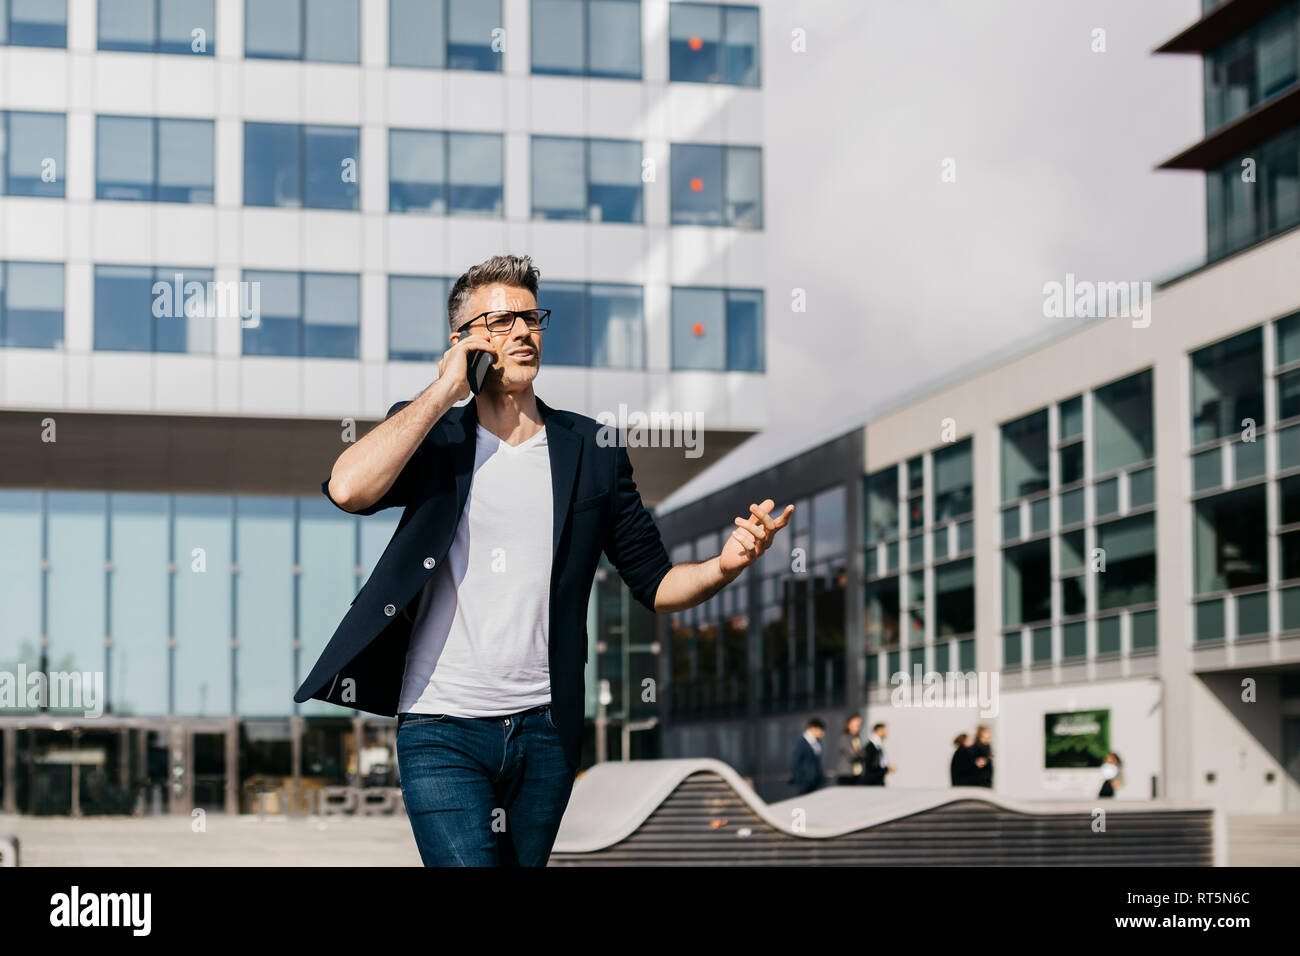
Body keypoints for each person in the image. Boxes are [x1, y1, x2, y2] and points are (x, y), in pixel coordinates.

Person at [295, 254, 793, 866]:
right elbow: (349, 489)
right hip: (441, 727)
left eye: (531, 318)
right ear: (465, 340)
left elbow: (656, 583)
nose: (525, 332)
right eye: (502, 321)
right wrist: (448, 388)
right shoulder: (435, 437)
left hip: (545, 730)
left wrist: (725, 564)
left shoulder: (592, 449)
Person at [791, 718, 827, 795]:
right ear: (812, 728)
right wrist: (802, 779)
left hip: (816, 784)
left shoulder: (817, 743)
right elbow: (794, 762)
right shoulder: (801, 743)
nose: (822, 733)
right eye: (820, 730)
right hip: (804, 785)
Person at [836, 714, 868, 785]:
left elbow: (864, 753)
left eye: (860, 723)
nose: (859, 725)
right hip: (846, 775)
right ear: (849, 724)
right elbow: (852, 755)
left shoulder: (858, 738)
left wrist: (858, 752)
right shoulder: (844, 738)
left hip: (857, 773)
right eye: (856, 723)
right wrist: (860, 753)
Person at [970, 724, 994, 788]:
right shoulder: (975, 747)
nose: (987, 740)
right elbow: (978, 763)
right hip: (979, 781)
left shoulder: (987, 746)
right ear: (979, 736)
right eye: (985, 738)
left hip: (987, 779)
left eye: (989, 738)